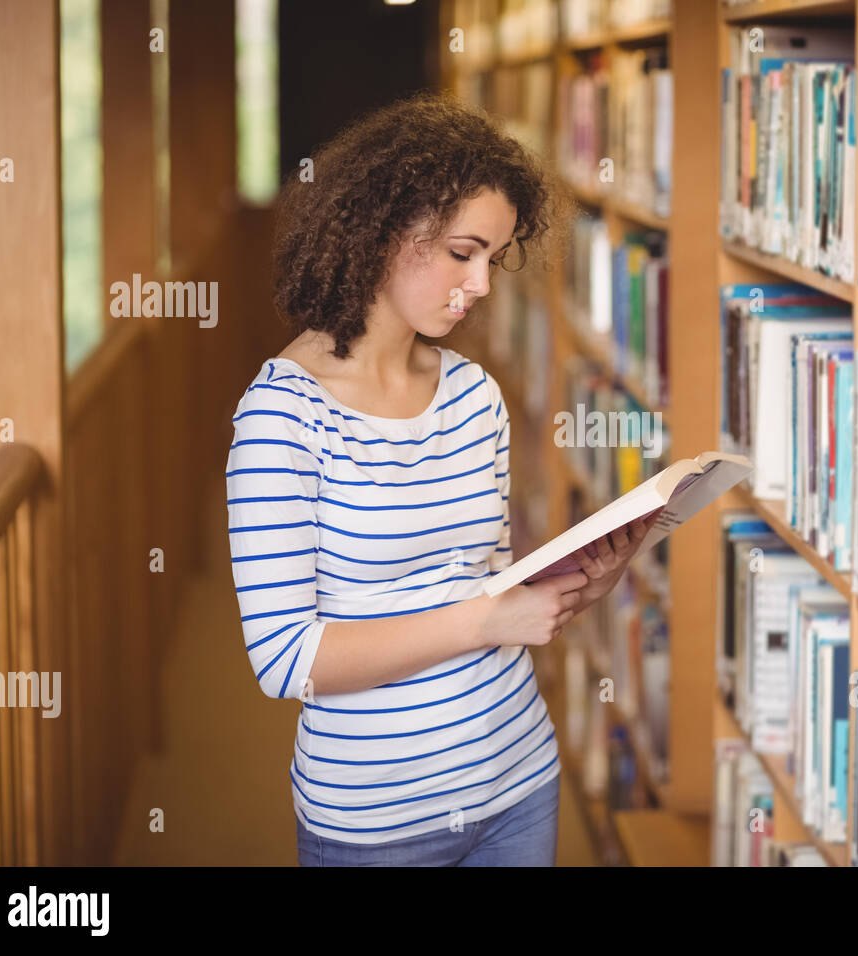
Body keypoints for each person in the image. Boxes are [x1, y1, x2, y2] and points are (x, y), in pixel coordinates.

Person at [225, 92, 658, 866]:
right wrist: (485, 621)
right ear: (386, 231)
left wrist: (574, 584)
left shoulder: (473, 394)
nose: (484, 283)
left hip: (520, 778)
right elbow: (287, 658)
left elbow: (481, 582)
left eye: (494, 257)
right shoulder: (281, 417)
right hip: (376, 820)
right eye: (464, 253)